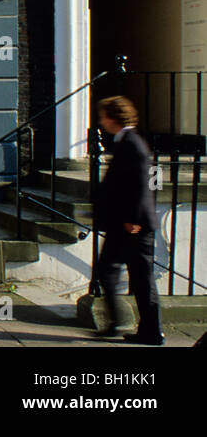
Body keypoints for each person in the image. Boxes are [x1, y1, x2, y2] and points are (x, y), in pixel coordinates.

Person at [93, 96, 163, 345]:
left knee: (141, 278)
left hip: (133, 225)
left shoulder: (132, 144)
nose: (100, 121)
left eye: (103, 116)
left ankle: (150, 331)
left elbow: (141, 186)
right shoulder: (126, 142)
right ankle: (122, 324)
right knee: (110, 271)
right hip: (123, 223)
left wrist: (133, 219)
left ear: (113, 118)